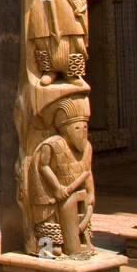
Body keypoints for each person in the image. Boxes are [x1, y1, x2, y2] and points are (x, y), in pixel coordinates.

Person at [28, 95, 95, 259]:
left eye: (85, 127)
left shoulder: (87, 148)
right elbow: (43, 166)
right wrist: (57, 188)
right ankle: (48, 246)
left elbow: (88, 171)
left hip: (77, 193)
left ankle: (81, 241)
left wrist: (91, 192)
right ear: (65, 129)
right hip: (53, 192)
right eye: (77, 128)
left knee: (83, 216)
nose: (82, 132)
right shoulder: (53, 144)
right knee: (48, 216)